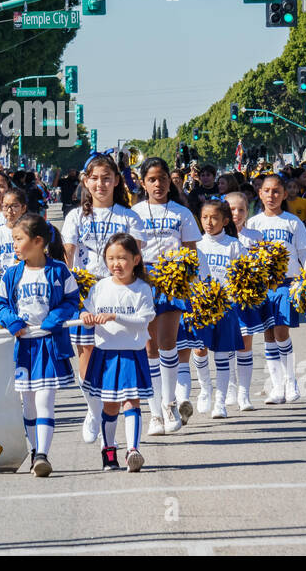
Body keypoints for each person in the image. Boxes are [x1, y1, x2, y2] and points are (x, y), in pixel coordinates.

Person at [61, 153, 146, 444]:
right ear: (85, 181)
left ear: (116, 181)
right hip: (86, 292)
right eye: (94, 178)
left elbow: (137, 254)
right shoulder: (75, 216)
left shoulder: (128, 216)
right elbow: (68, 255)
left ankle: (112, 412)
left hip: (119, 292)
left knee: (112, 353)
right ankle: (93, 409)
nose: (101, 184)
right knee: (85, 356)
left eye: (106, 178)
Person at [0, 212, 80, 477]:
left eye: (19, 239)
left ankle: (43, 454)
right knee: (28, 404)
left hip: (48, 346)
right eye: (13, 240)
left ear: (38, 241)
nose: (15, 245)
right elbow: (1, 304)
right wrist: (12, 322)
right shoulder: (11, 274)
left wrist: (54, 319)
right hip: (23, 348)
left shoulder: (58, 271)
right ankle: (34, 451)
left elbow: (71, 300)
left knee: (45, 400)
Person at [133, 157, 202, 431]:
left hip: (174, 280)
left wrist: (191, 282)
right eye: (151, 179)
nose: (158, 184)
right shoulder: (134, 212)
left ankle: (170, 406)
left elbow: (191, 251)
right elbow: (130, 250)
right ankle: (154, 413)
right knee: (149, 347)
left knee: (168, 344)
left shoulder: (182, 212)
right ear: (143, 183)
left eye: (162, 178)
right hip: (144, 281)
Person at [80, 232, 156, 472]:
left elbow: (144, 320)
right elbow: (86, 311)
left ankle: (133, 450)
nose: (116, 264)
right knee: (110, 406)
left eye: (122, 258)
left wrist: (115, 316)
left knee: (132, 402)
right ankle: (108, 449)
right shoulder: (100, 287)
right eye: (111, 258)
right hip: (106, 355)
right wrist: (86, 317)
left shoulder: (143, 289)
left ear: (136, 259)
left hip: (132, 353)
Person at [243, 174, 306, 405]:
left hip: (286, 283)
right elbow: (246, 255)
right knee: (268, 334)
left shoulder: (292, 222)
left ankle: (291, 381)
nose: (271, 195)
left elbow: (305, 252)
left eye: (276, 191)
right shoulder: (253, 224)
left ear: (284, 194)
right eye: (267, 191)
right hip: (262, 286)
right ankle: (276, 386)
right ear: (260, 193)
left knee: (281, 330)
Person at [195, 199, 251, 417]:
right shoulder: (196, 243)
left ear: (225, 220)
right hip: (200, 306)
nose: (209, 222)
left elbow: (244, 276)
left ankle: (220, 402)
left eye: (215, 218)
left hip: (226, 307)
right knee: (199, 350)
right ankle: (205, 388)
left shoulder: (234, 245)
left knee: (223, 353)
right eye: (205, 217)